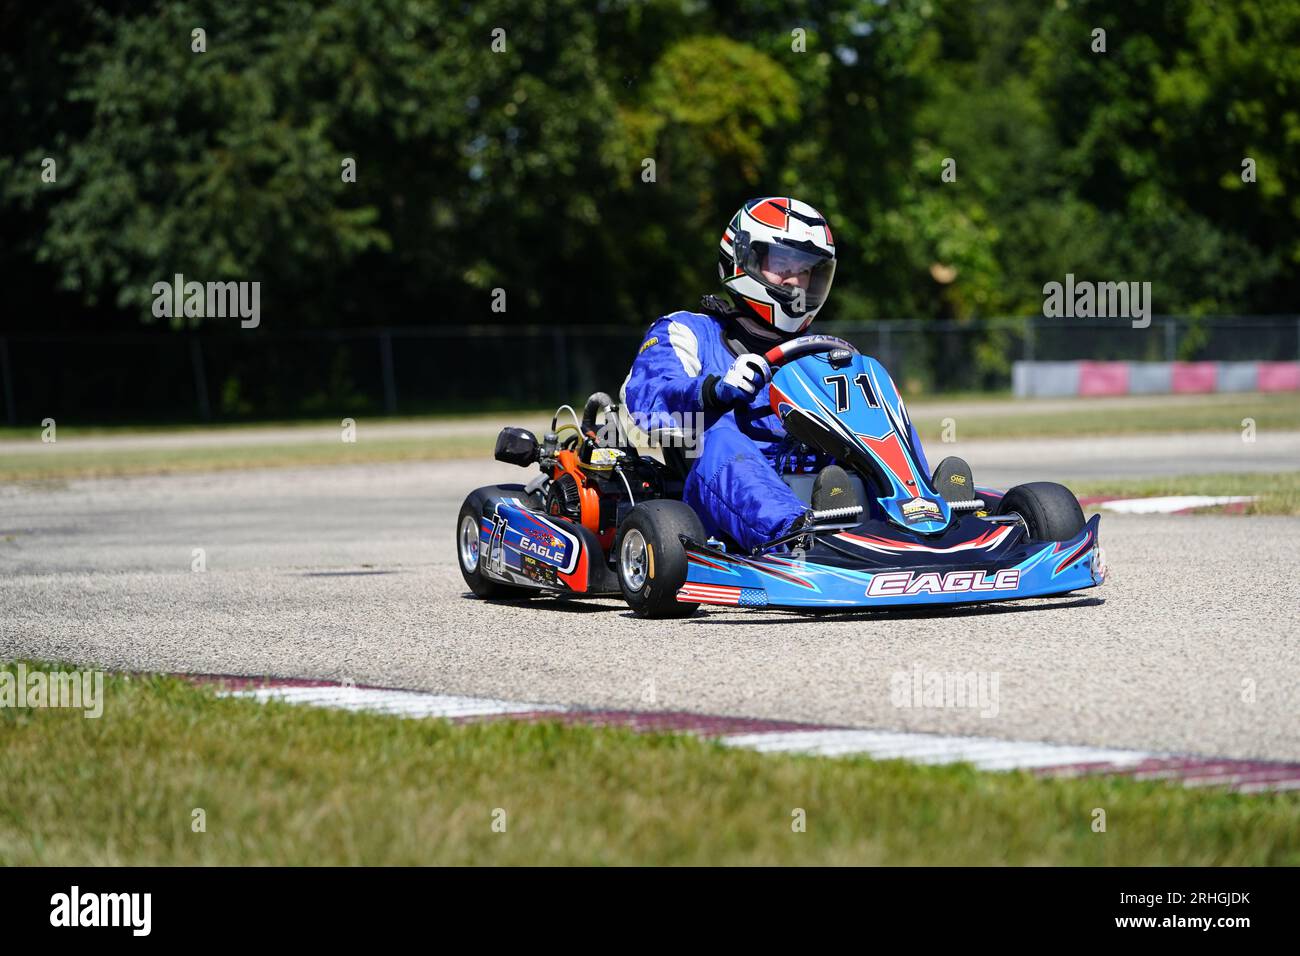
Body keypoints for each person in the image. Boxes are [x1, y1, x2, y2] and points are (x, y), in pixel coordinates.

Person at [620, 197, 853, 553]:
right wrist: (712, 391)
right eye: (784, 264)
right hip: (714, 501)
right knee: (717, 434)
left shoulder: (818, 351)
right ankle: (797, 538)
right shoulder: (687, 331)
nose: (796, 281)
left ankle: (923, 511)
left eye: (805, 270)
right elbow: (646, 398)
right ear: (745, 261)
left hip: (817, 488)